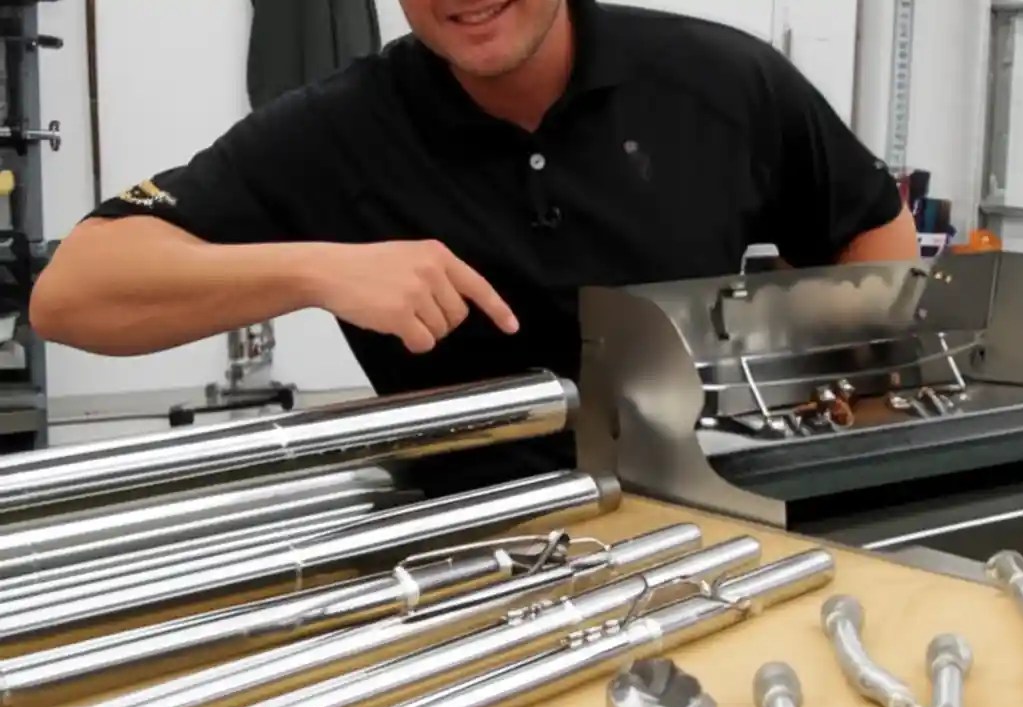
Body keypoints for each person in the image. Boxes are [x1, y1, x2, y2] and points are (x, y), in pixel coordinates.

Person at [31, 0, 919, 493]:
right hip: (470, 555)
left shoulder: (722, 80)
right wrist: (315, 269)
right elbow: (72, 293)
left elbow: (867, 227)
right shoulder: (340, 128)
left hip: (717, 519)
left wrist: (845, 427)